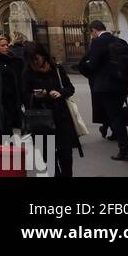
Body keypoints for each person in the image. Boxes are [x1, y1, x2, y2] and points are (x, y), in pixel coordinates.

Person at [21, 42, 82, 178]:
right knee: (49, 157)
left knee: (66, 154)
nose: (34, 63)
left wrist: (60, 92)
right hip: (40, 119)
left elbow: (70, 88)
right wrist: (36, 97)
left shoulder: (57, 69)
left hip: (61, 116)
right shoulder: (27, 73)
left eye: (36, 59)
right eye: (31, 60)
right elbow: (24, 96)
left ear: (43, 55)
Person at [80, 21, 128, 161]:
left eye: (90, 32)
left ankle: (125, 150)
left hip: (107, 86)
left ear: (93, 30)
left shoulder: (98, 42)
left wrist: (86, 67)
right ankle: (125, 147)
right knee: (117, 114)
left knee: (115, 117)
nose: (91, 35)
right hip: (123, 84)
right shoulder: (120, 41)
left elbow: (92, 65)